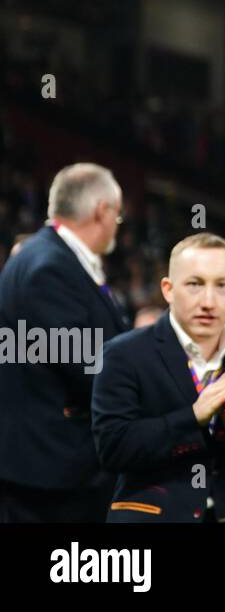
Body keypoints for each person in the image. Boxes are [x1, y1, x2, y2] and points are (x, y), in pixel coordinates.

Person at [91, 232, 225, 521]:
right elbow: (113, 449)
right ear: (168, 289)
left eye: (221, 286)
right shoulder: (123, 355)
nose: (208, 301)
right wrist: (193, 416)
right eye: (194, 284)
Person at [0, 163, 130, 522]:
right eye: (117, 217)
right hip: (52, 475)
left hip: (50, 468)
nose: (116, 227)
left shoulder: (44, 256)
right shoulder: (49, 266)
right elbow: (88, 365)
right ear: (102, 211)